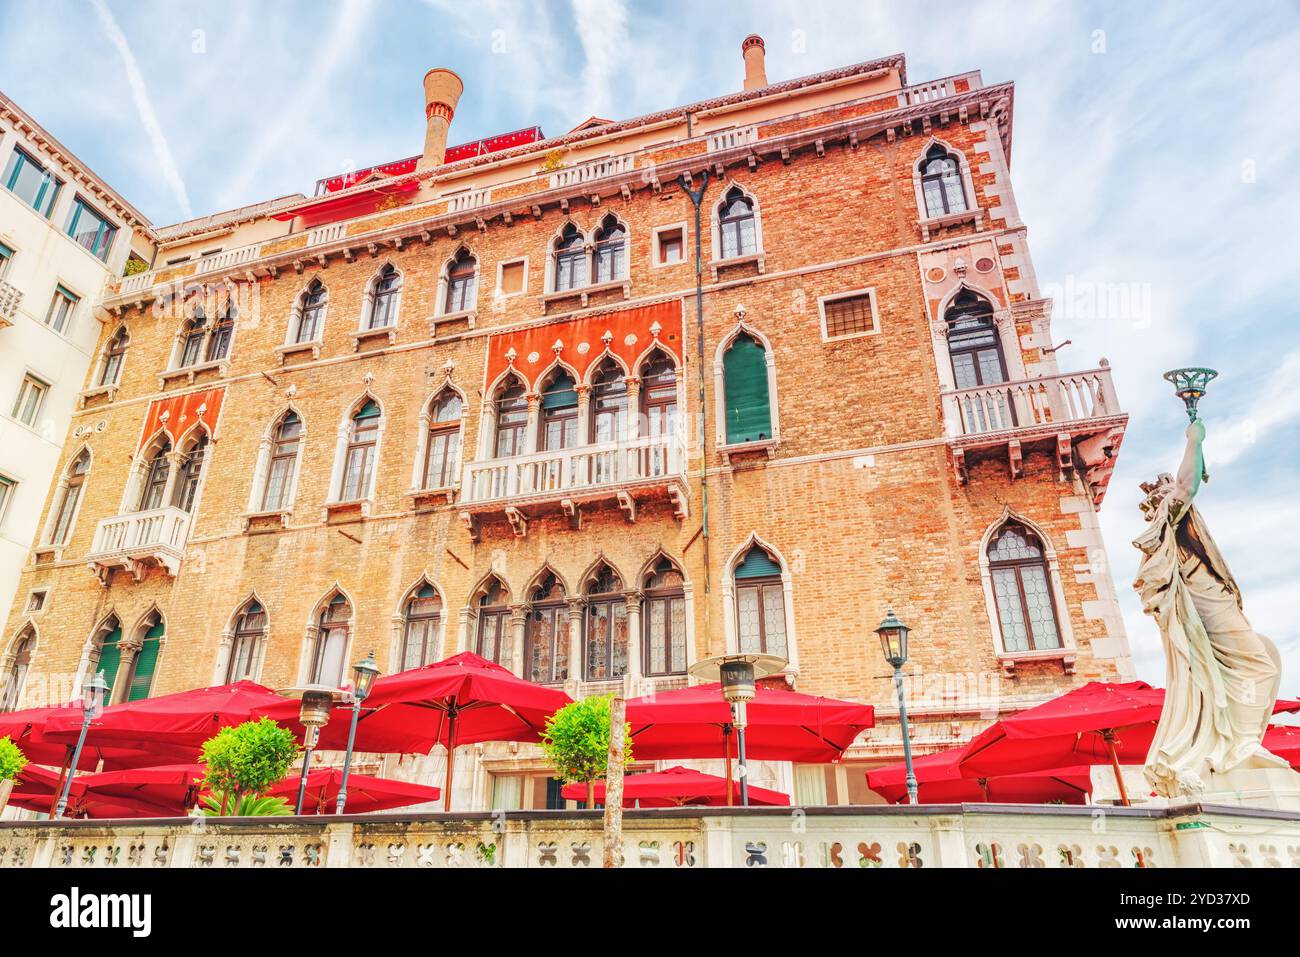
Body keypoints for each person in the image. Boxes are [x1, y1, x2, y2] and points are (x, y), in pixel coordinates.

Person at [1133, 419, 1287, 796]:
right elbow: (1188, 484)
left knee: (1259, 657)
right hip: (1206, 602)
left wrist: (1197, 451)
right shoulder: (1169, 518)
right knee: (1259, 663)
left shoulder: (1181, 527)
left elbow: (1190, 483)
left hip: (1213, 598)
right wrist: (1194, 439)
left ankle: (1237, 741)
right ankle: (1243, 742)